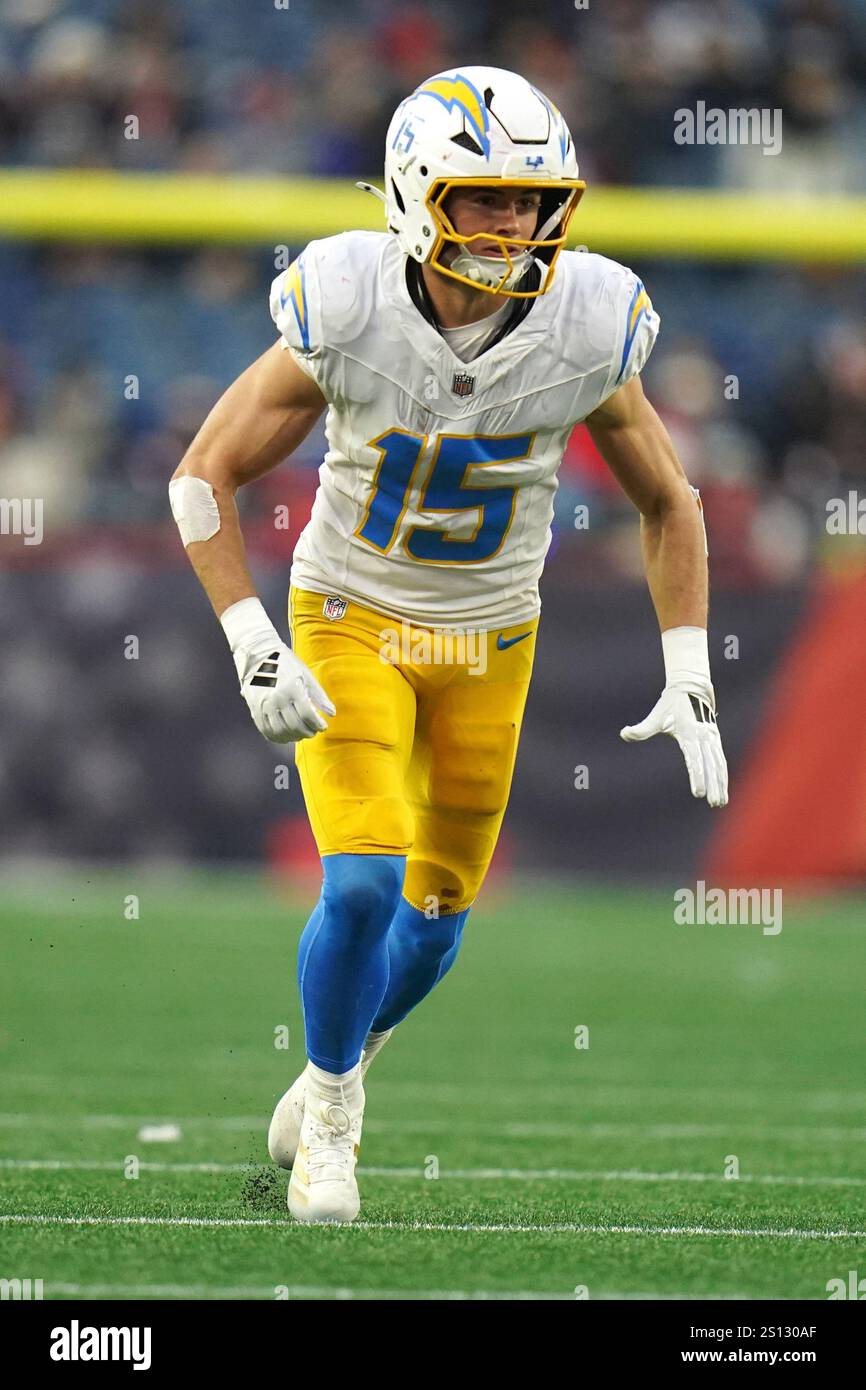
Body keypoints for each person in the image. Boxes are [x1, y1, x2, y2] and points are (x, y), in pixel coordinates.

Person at [168, 66, 728, 1225]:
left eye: (528, 202)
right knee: (363, 883)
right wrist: (249, 639)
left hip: (491, 638)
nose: (509, 223)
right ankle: (330, 1119)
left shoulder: (589, 318)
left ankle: (342, 1055)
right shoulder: (349, 297)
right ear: (419, 191)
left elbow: (669, 500)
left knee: (434, 930)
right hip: (349, 614)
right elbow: (202, 475)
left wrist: (687, 668)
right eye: (481, 198)